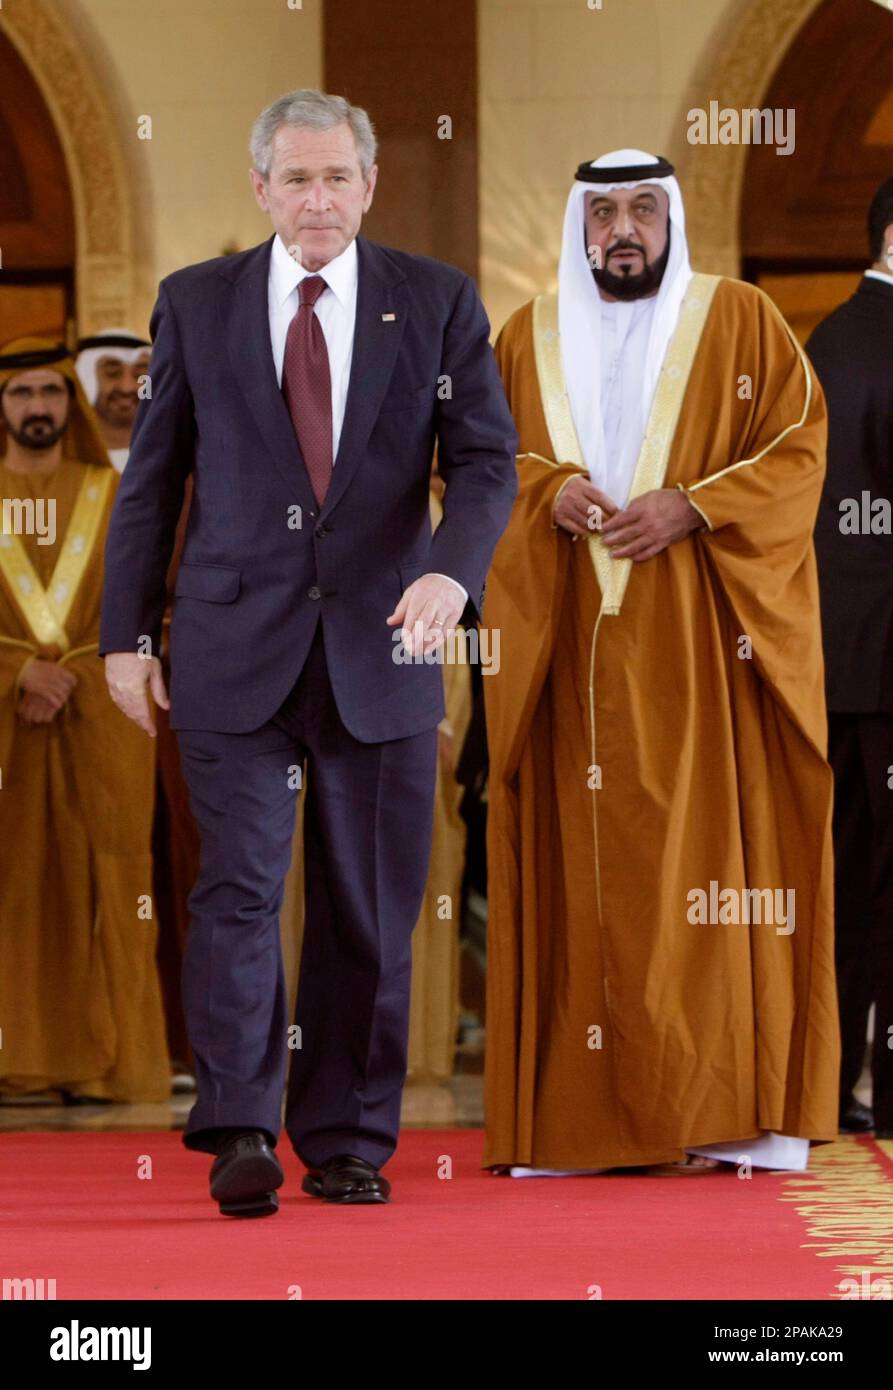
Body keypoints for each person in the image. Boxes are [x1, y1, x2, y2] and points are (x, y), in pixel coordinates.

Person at [99, 89, 517, 1216]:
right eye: (297, 179)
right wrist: (125, 637)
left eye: (338, 177)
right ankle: (239, 1122)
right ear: (261, 189)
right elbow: (153, 482)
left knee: (366, 908)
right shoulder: (197, 303)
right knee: (235, 889)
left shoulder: (434, 303)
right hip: (231, 645)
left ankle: (344, 1135)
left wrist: (448, 572)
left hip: (385, 644)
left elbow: (487, 462)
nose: (318, 198)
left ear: (369, 184)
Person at [483, 149, 839, 1176]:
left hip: (703, 651)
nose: (623, 229)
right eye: (603, 213)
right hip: (564, 662)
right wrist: (541, 488)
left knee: (709, 881)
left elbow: (798, 450)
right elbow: (465, 462)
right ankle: (573, 1121)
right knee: (582, 880)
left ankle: (728, 1108)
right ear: (576, 225)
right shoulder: (522, 335)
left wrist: (694, 505)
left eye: (643, 208)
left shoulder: (740, 320)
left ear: (671, 219)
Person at [0, 338, 169, 1105]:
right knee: (17, 885)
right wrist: (16, 672)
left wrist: (75, 673)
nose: (37, 407)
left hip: (102, 713)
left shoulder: (113, 493)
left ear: (70, 403)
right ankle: (21, 1058)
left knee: (114, 879)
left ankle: (113, 1063)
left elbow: (148, 600)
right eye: (20, 394)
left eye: (50, 393)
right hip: (10, 719)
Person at [807, 175, 893, 1141]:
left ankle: (827, 1086)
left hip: (838, 661)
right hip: (887, 663)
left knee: (846, 883)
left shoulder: (827, 338)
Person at [75, 329, 151, 473]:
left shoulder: (174, 450)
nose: (127, 387)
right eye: (112, 373)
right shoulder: (70, 452)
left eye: (140, 375)